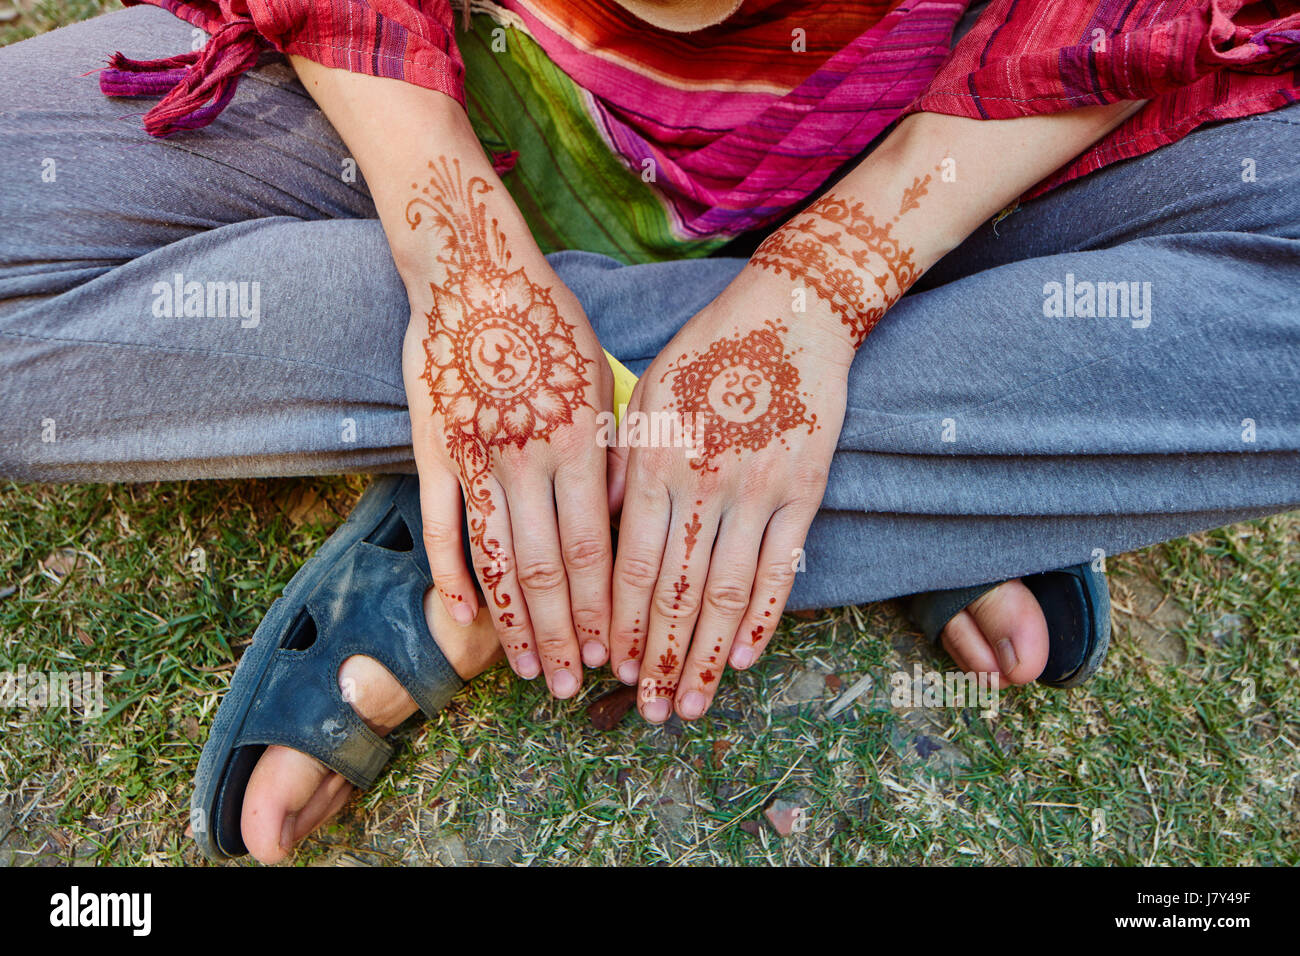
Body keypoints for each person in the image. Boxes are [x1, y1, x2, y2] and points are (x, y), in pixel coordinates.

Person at [1, 0, 1296, 863]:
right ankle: (941, 440)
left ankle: (522, 514)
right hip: (477, 91)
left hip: (963, 125)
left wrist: (832, 280)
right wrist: (460, 257)